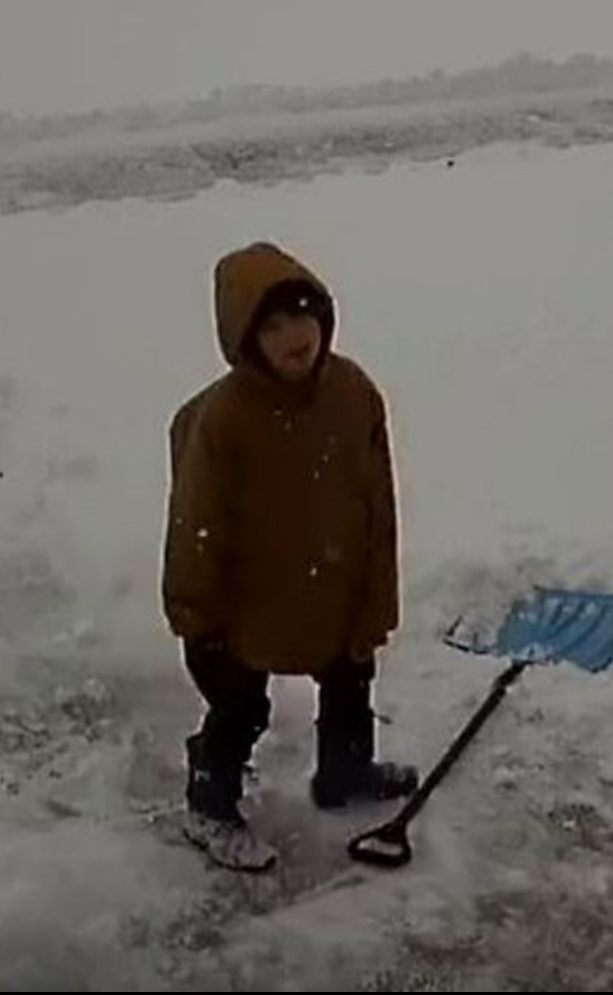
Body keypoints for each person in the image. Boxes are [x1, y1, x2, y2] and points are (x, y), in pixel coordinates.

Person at [162, 241, 419, 871]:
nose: (293, 336)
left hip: (334, 586)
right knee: (239, 707)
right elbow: (196, 522)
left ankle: (344, 773)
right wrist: (197, 616)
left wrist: (376, 597)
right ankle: (210, 804)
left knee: (350, 683)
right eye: (270, 327)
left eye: (301, 315)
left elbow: (377, 504)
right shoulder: (223, 420)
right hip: (245, 604)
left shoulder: (353, 392)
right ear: (245, 341)